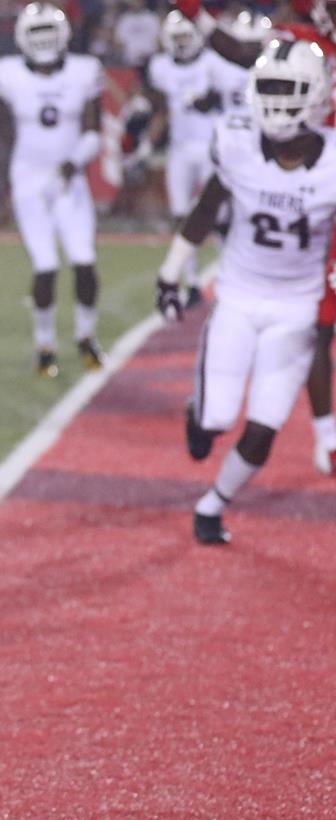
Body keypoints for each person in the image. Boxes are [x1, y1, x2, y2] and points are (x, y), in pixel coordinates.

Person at [158, 41, 336, 543]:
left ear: (317, 95)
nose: (278, 100)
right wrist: (170, 274)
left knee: (263, 429)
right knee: (215, 420)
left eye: (289, 88)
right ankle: (198, 415)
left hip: (296, 307)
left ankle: (212, 505)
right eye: (270, 87)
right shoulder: (236, 143)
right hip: (238, 295)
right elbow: (205, 211)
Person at [0, 2, 106, 378]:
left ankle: (86, 336)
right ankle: (44, 345)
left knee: (84, 261)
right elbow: (3, 139)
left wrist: (76, 159)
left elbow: (94, 131)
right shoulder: (7, 74)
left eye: (47, 32)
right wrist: (2, 195)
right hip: (28, 179)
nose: (43, 40)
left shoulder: (84, 70)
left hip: (70, 179)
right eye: (36, 33)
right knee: (45, 266)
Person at [143, 10, 219, 310]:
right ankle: (192, 281)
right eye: (178, 37)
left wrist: (202, 101)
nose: (183, 42)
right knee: (180, 215)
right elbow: (162, 109)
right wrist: (148, 143)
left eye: (187, 35)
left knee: (218, 215)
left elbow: (219, 99)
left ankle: (226, 274)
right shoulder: (160, 66)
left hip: (211, 147)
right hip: (180, 148)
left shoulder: (211, 61)